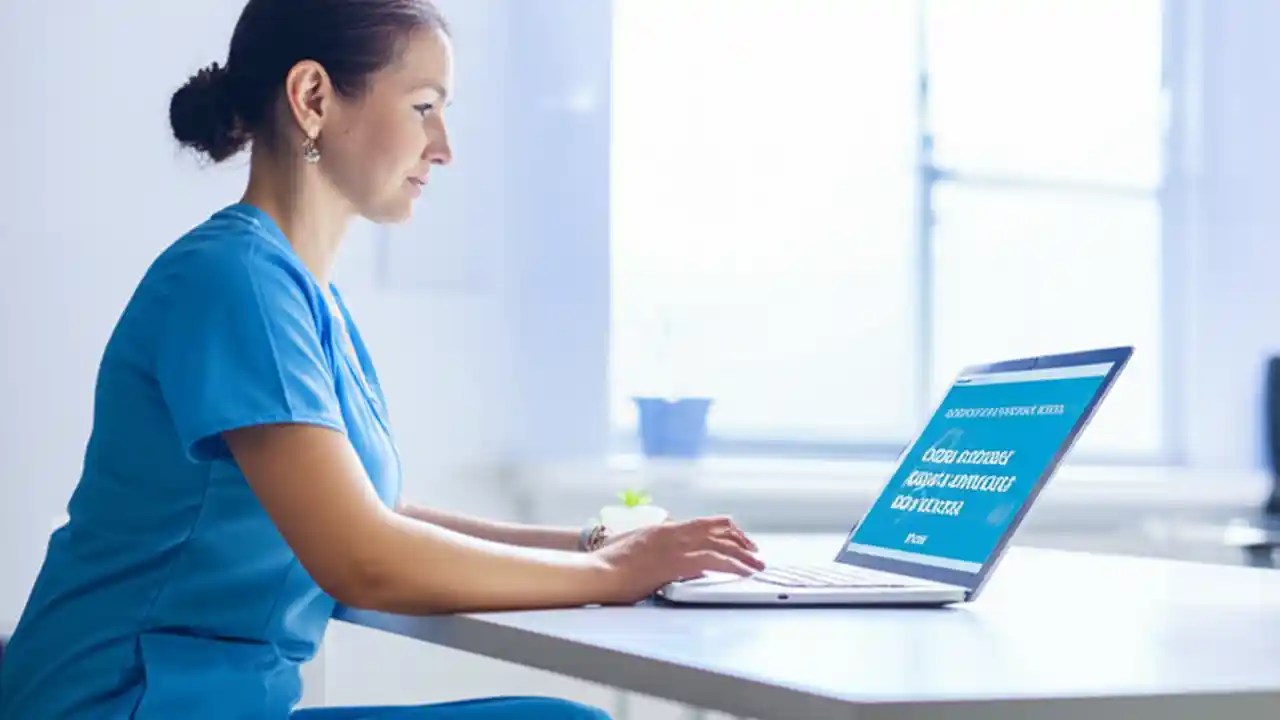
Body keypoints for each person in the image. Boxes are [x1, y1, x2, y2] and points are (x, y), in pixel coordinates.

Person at [0, 1, 765, 718]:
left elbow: (373, 516)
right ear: (313, 97)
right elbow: (361, 557)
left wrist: (590, 546)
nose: (445, 147)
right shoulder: (233, 281)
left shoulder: (300, 295)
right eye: (424, 106)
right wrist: (607, 576)